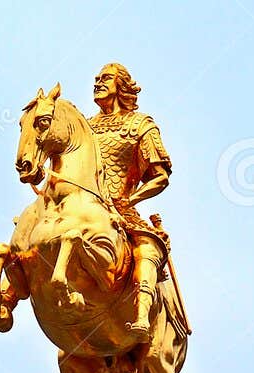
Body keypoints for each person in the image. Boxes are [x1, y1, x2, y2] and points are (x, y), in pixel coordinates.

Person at [86, 62, 171, 338]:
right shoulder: (84, 128)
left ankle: (142, 316)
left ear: (121, 86)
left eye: (106, 78)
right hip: (85, 208)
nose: (98, 83)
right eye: (96, 79)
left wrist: (129, 200)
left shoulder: (140, 125)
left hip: (121, 209)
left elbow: (160, 176)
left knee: (146, 250)